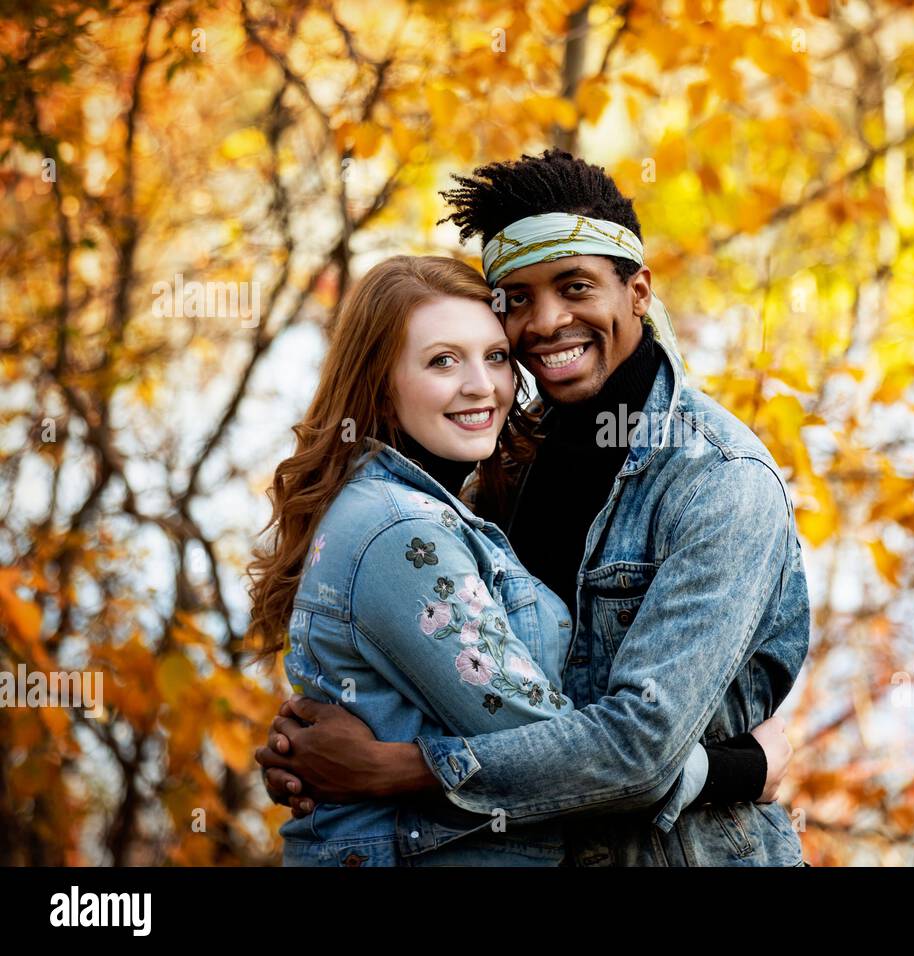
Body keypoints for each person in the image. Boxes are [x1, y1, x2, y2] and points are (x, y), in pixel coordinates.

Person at [257, 149, 811, 867]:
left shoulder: (718, 482)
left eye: (575, 286)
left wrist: (390, 770)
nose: (546, 322)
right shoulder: (501, 468)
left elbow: (636, 750)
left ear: (637, 291)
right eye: (515, 298)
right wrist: (322, 753)